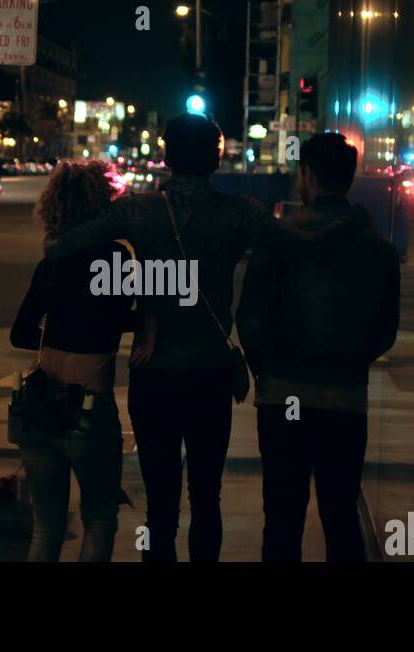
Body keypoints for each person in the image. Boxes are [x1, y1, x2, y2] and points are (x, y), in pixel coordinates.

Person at [44, 114, 366, 562]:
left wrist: (143, 305)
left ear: (167, 155)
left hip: (153, 373)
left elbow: (59, 248)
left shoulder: (137, 209)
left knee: (160, 504)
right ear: (215, 159)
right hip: (208, 373)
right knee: (206, 499)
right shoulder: (238, 213)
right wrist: (348, 224)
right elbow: (303, 246)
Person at [237, 133, 401, 562]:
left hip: (282, 396)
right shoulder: (376, 245)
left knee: (283, 518)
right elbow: (386, 328)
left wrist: (266, 371)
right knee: (341, 515)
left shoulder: (278, 237)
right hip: (345, 397)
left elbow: (250, 315)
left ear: (307, 174)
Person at [10, 160, 151, 562]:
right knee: (100, 517)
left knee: (48, 523)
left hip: (40, 407)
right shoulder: (116, 260)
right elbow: (119, 314)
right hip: (89, 408)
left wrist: (57, 328)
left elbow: (20, 333)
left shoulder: (50, 262)